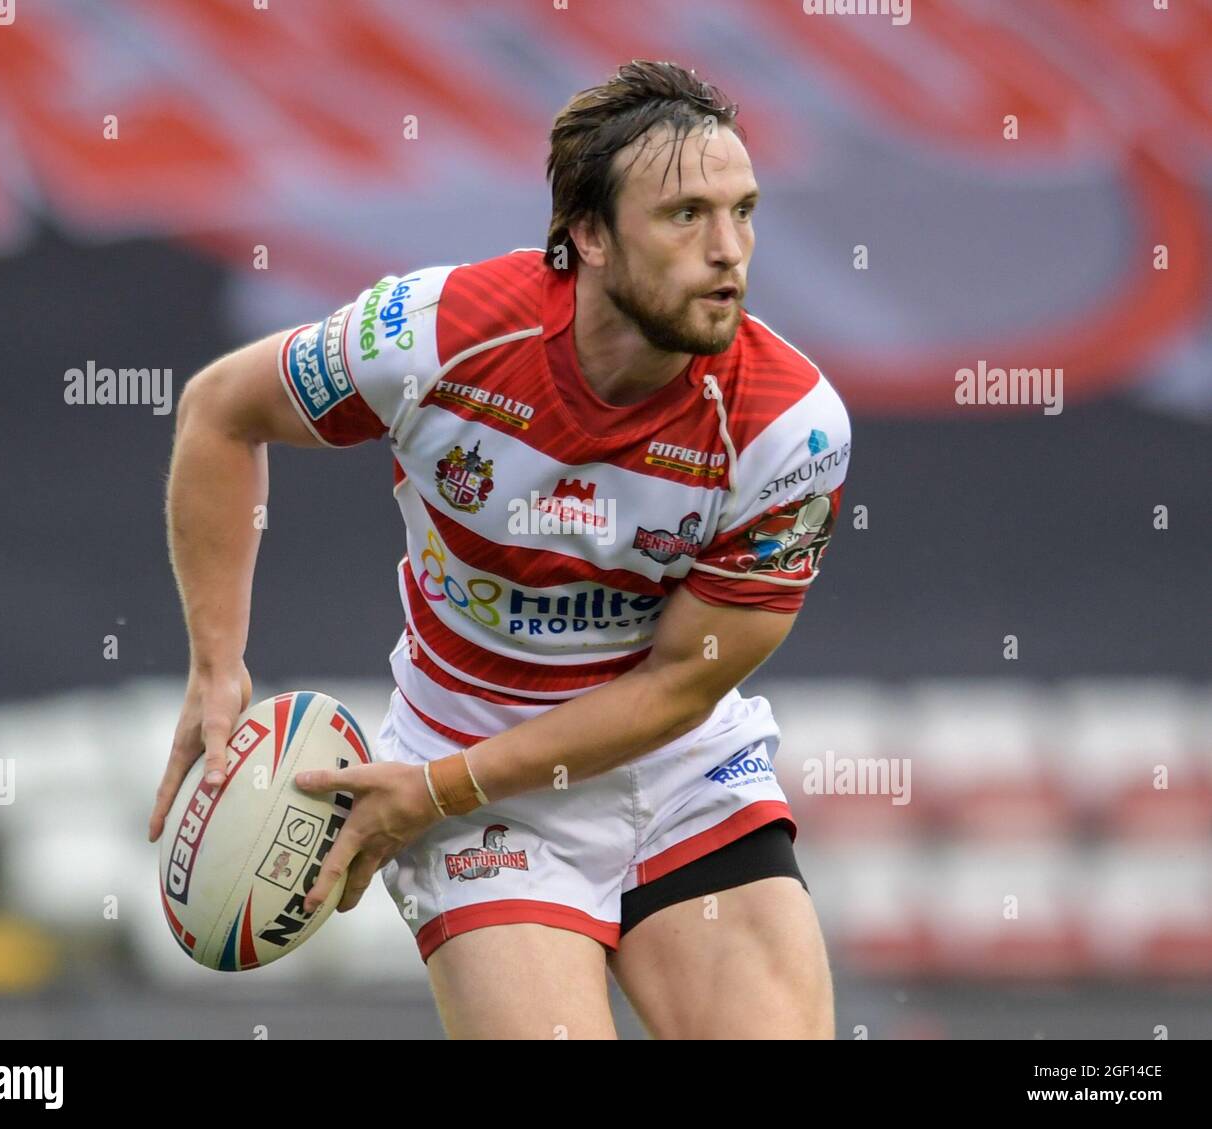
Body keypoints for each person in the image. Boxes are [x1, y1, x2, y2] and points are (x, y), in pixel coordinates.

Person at [149, 59, 851, 1039]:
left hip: (673, 769)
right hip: (476, 789)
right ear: (589, 234)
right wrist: (216, 671)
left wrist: (431, 792)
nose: (728, 250)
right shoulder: (435, 336)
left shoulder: (789, 426)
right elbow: (221, 411)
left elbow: (679, 688)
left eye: (743, 210)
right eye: (685, 215)